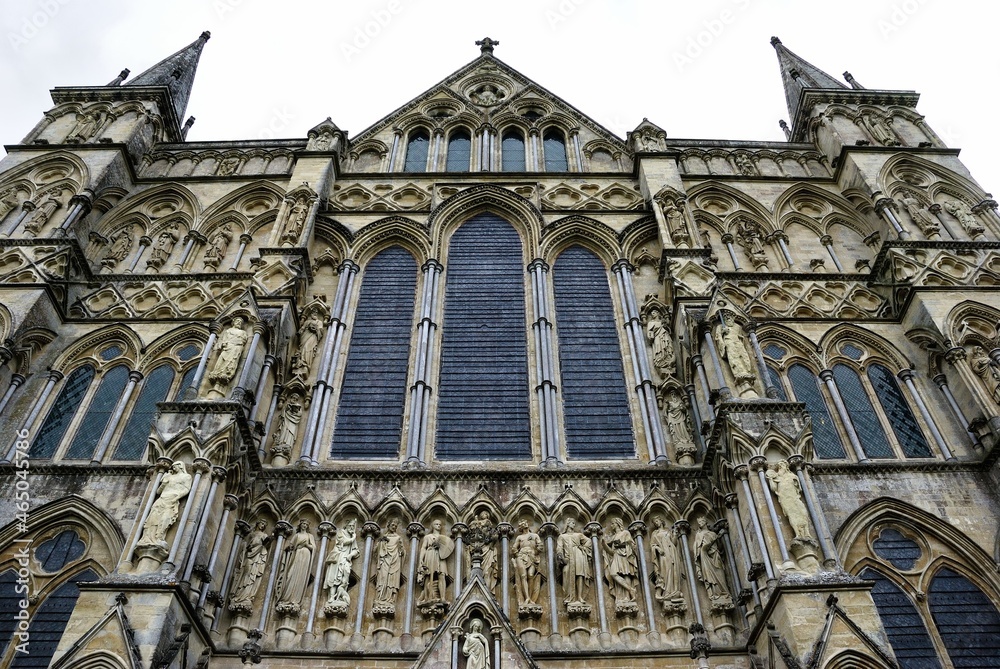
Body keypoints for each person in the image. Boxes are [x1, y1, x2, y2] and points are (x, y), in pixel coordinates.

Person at [136, 461, 192, 548]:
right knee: (152, 518)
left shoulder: (186, 477)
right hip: (161, 499)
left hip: (171, 501)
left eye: (174, 466)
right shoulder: (169, 476)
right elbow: (158, 491)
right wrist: (165, 481)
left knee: (165, 519)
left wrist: (177, 497)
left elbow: (186, 489)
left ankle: (159, 537)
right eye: (172, 467)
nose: (173, 468)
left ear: (180, 466)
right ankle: (147, 538)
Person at [229, 519, 270, 612]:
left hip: (258, 557)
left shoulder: (264, 535)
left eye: (264, 524)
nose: (262, 525)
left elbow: (266, 544)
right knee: (246, 573)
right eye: (261, 523)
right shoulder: (252, 534)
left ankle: (247, 597)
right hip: (250, 555)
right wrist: (248, 548)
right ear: (257, 523)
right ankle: (239, 595)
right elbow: (246, 545)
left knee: (253, 574)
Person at [276, 520, 315, 612]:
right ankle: (286, 598)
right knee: (290, 575)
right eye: (303, 524)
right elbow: (290, 546)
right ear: (300, 525)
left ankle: (295, 600)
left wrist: (306, 545)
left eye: (306, 524)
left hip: (305, 556)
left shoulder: (310, 536)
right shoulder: (296, 535)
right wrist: (291, 548)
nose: (304, 526)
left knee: (301, 576)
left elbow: (313, 547)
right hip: (296, 556)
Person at [693, 517, 731, 606]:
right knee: (710, 576)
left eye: (702, 521)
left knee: (720, 574)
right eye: (699, 522)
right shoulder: (699, 534)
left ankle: (725, 593)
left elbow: (720, 548)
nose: (700, 523)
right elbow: (700, 548)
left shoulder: (712, 533)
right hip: (705, 557)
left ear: (705, 521)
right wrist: (714, 538)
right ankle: (716, 594)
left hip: (715, 556)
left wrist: (719, 538)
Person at [323, 518, 359, 610]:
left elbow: (356, 551)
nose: (351, 528)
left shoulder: (352, 536)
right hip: (338, 557)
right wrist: (353, 538)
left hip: (346, 559)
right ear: (346, 526)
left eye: (353, 526)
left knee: (345, 577)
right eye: (350, 526)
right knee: (335, 578)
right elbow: (343, 542)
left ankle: (340, 596)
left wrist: (351, 555)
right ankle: (332, 597)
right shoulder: (341, 533)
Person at [417, 519, 453, 603]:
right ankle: (426, 597)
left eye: (440, 524)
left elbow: (448, 547)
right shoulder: (427, 537)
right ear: (432, 526)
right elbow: (423, 548)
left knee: (442, 575)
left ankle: (443, 598)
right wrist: (420, 561)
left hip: (441, 556)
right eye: (436, 524)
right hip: (430, 554)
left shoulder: (444, 539)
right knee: (428, 575)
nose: (438, 526)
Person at [556, 519, 591, 606]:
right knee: (566, 573)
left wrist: (583, 548)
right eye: (572, 523)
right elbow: (559, 547)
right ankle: (569, 597)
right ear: (567, 524)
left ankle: (579, 597)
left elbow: (589, 541)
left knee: (579, 575)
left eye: (574, 523)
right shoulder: (562, 536)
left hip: (578, 556)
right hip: (568, 558)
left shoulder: (578, 535)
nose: (574, 524)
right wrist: (560, 556)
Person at [603, 518, 638, 605]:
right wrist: (604, 544)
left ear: (618, 524)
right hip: (616, 556)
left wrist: (624, 544)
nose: (611, 526)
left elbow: (633, 546)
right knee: (613, 573)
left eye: (613, 523)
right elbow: (611, 552)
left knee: (626, 574)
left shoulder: (625, 533)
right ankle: (630, 590)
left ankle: (627, 596)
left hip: (625, 555)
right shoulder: (613, 537)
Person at [649, 517, 683, 603]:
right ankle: (666, 593)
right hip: (663, 555)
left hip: (672, 553)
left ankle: (674, 591)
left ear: (661, 521)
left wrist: (675, 534)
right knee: (664, 572)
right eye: (654, 522)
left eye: (657, 521)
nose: (656, 523)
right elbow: (652, 545)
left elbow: (674, 543)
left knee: (674, 571)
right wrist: (657, 548)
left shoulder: (668, 531)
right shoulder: (654, 533)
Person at [373, 518, 405, 611]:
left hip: (394, 561)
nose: (394, 527)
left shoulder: (398, 538)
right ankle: (380, 598)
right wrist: (380, 543)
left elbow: (402, 552)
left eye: (395, 526)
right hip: (384, 561)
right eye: (392, 525)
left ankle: (390, 599)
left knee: (391, 580)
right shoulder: (383, 538)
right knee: (382, 578)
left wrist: (400, 549)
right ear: (388, 525)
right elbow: (375, 551)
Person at [511, 520, 542, 608]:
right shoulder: (519, 537)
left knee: (531, 575)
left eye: (525, 523)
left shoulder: (535, 535)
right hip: (521, 556)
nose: (524, 524)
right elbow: (514, 548)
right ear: (520, 527)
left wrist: (535, 552)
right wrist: (518, 555)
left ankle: (531, 598)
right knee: (523, 575)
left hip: (532, 556)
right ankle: (527, 598)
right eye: (522, 524)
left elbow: (540, 546)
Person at [208, 317, 248, 386]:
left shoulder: (243, 332)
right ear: (233, 322)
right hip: (227, 348)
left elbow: (243, 341)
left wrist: (237, 345)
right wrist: (223, 344)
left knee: (231, 361)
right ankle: (217, 373)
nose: (239, 322)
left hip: (235, 349)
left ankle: (225, 374)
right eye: (237, 321)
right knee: (221, 360)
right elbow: (223, 340)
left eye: (240, 322)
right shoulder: (228, 331)